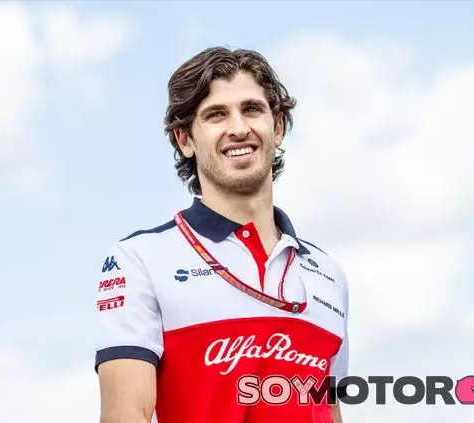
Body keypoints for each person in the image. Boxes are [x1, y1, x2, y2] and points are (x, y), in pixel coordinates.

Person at [94, 46, 349, 423]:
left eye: (252, 109)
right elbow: (125, 413)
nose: (238, 128)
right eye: (216, 115)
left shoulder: (329, 275)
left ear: (277, 127)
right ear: (185, 140)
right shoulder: (139, 259)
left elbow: (328, 409)